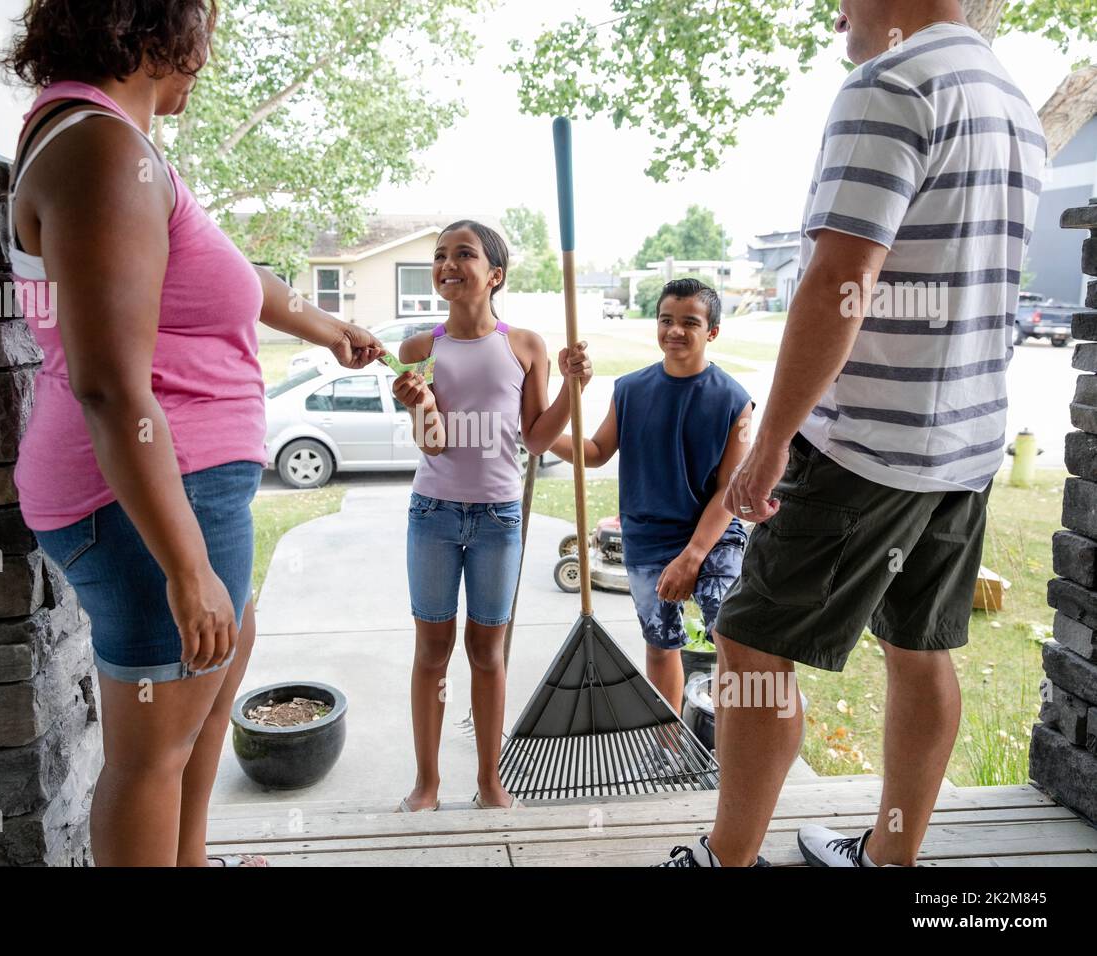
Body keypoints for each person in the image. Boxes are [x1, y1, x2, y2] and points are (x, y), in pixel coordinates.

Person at [657, 0, 1046, 867]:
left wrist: (769, 448)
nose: (837, 18)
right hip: (964, 449)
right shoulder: (1008, 99)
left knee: (751, 645)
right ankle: (888, 860)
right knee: (922, 648)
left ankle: (727, 860)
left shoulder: (891, 82)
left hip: (864, 446)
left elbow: (841, 277)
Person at [0, 0, 383, 866]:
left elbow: (234, 278)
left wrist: (327, 328)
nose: (205, 53)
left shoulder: (110, 144)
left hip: (182, 488)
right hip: (143, 498)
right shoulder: (98, 149)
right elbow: (106, 385)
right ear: (150, 30)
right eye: (201, 25)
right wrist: (185, 566)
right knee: (151, 758)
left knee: (194, 729)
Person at [392, 220, 592, 812]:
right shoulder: (418, 350)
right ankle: (426, 785)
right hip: (432, 514)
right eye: (440, 255)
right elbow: (432, 445)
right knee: (432, 650)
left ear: (494, 274)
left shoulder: (524, 347)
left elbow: (535, 439)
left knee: (488, 653)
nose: (448, 263)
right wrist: (423, 405)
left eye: (464, 254)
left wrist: (573, 390)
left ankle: (489, 783)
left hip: (499, 519)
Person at [549, 278, 752, 713]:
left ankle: (734, 741)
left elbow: (729, 493)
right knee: (661, 646)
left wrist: (693, 556)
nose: (674, 330)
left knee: (732, 642)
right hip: (648, 538)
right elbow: (597, 452)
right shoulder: (630, 390)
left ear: (712, 331)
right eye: (666, 320)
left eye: (689, 322)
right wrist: (541, 435)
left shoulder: (734, 400)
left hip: (714, 538)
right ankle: (669, 749)